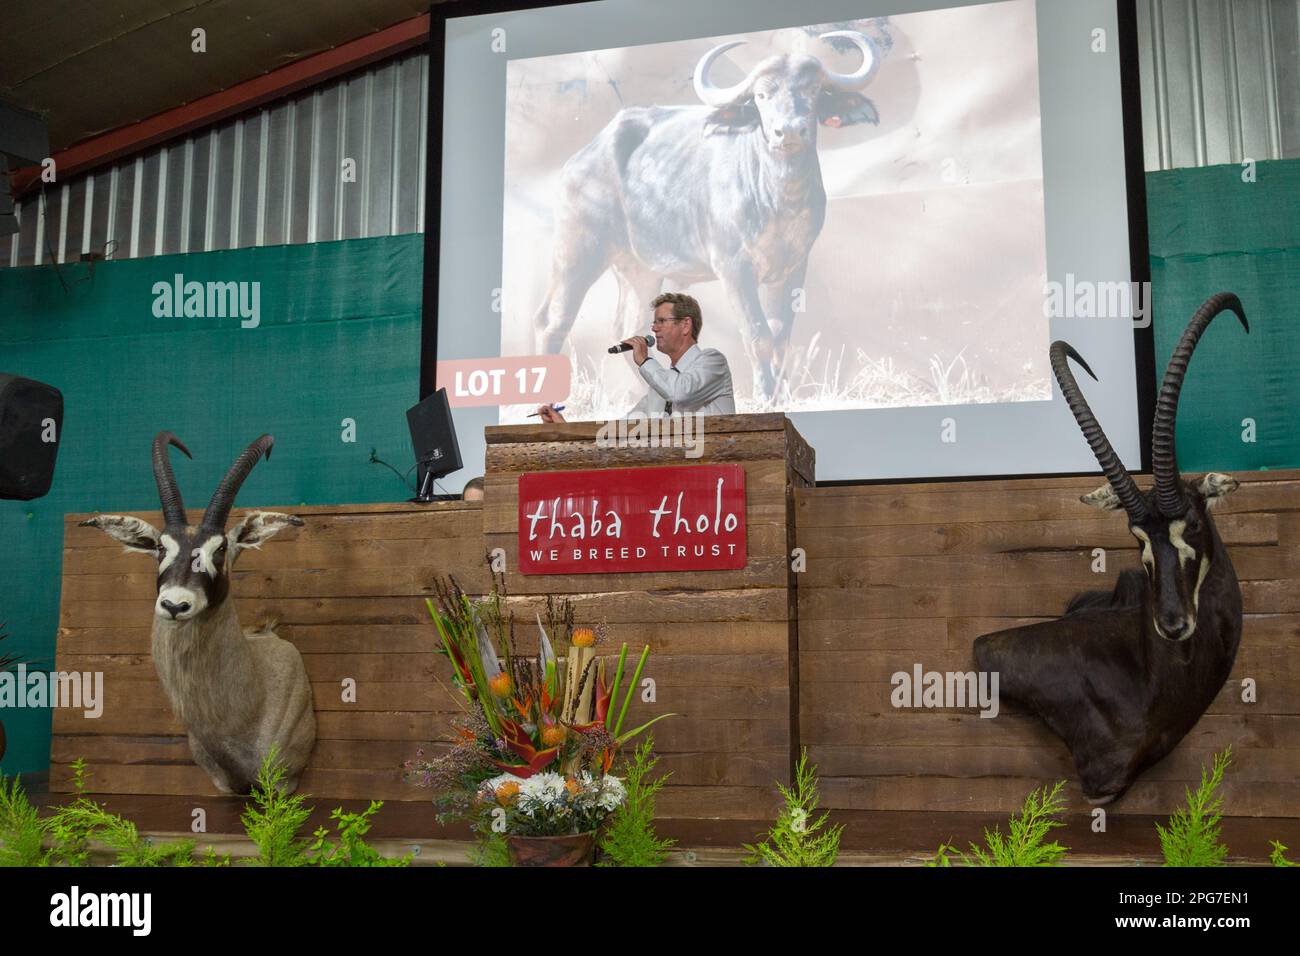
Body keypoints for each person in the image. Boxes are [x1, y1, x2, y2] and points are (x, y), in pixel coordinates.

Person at [536, 292, 735, 422]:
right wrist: (564, 428)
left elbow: (680, 392)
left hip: (713, 477)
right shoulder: (658, 390)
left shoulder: (712, 361)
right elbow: (619, 431)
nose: (654, 328)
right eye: (654, 322)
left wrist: (645, 361)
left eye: (662, 321)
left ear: (685, 325)